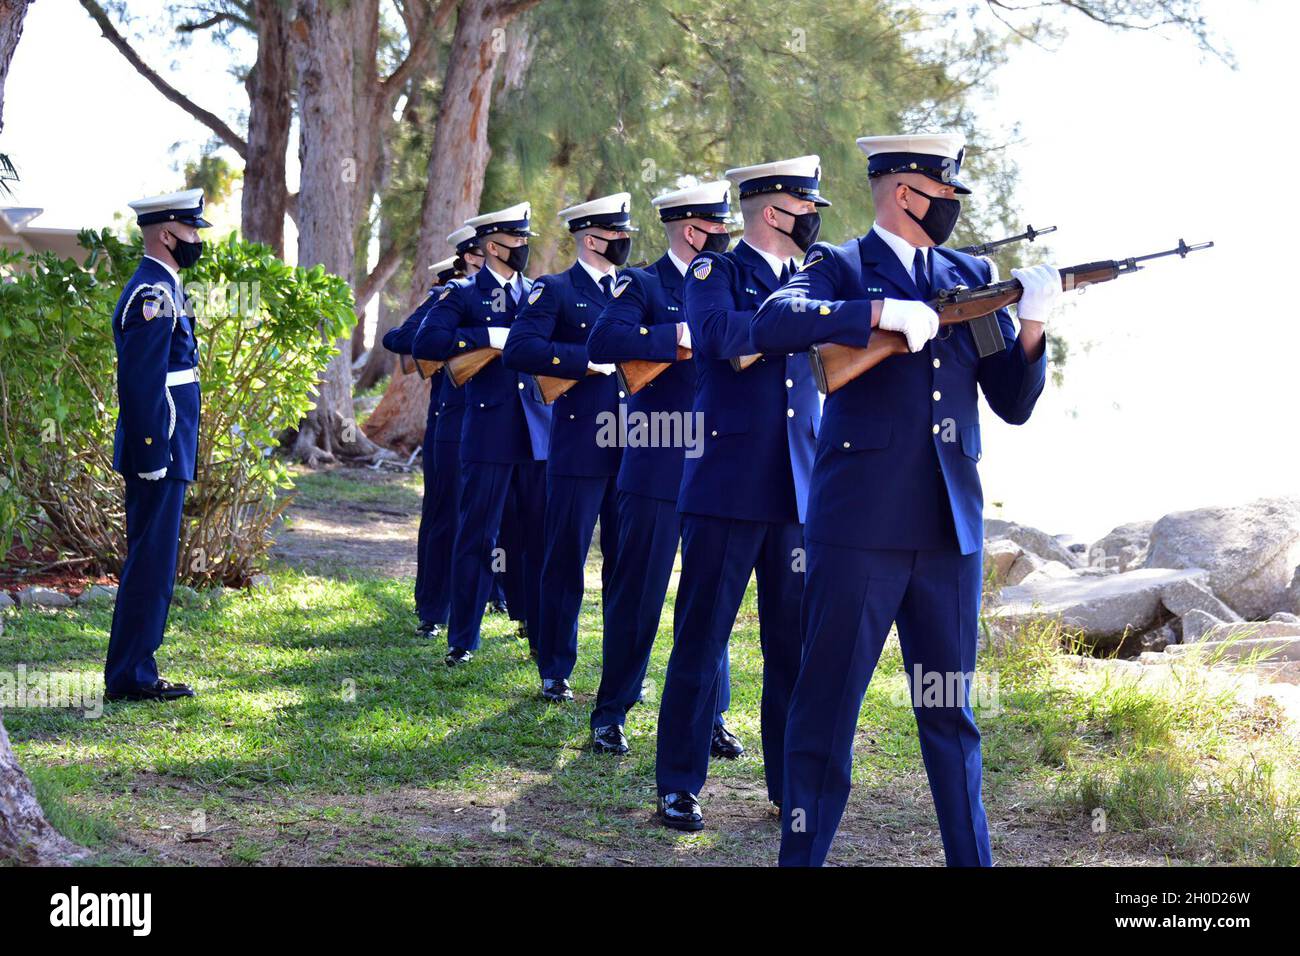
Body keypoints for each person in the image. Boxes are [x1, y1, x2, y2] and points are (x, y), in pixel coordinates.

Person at [750, 133, 1060, 866]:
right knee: (826, 711)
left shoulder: (969, 274)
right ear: (902, 193)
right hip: (859, 529)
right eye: (943, 197)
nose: (951, 211)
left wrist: (1037, 325)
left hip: (950, 532)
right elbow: (772, 323)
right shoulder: (841, 265)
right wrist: (879, 312)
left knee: (951, 714)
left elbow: (1011, 402)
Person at [654, 157, 826, 830]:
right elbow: (722, 339)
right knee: (700, 641)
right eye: (802, 207)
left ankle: (788, 786)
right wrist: (797, 316)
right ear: (771, 211)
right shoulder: (715, 272)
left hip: (795, 494)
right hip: (727, 488)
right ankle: (678, 783)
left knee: (793, 648)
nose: (811, 221)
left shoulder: (816, 277)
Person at [586, 180, 740, 756]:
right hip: (654, 463)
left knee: (710, 601)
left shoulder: (732, 281)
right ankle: (612, 711)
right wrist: (671, 334)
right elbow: (605, 340)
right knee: (639, 596)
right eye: (720, 227)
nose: (729, 237)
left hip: (717, 462)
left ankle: (712, 716)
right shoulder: (643, 282)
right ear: (695, 229)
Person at [502, 193, 632, 702]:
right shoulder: (555, 290)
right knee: (565, 561)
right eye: (617, 235)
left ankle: (622, 674)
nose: (625, 243)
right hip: (579, 444)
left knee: (627, 566)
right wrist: (587, 362)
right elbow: (519, 350)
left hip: (633, 445)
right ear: (593, 238)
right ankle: (555, 667)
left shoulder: (633, 287)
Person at [412, 203, 551, 667]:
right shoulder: (462, 293)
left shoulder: (537, 292)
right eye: (516, 242)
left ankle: (535, 626)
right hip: (487, 429)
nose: (524, 250)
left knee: (535, 535)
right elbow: (425, 343)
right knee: (476, 534)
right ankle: (463, 638)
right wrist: (483, 337)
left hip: (536, 430)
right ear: (493, 247)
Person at [103, 188, 210, 702]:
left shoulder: (163, 287)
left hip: (167, 446)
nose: (196, 240)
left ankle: (133, 668)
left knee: (153, 560)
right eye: (191, 231)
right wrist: (151, 451)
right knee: (151, 563)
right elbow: (140, 382)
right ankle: (132, 677)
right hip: (160, 449)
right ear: (167, 234)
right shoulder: (154, 295)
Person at [382, 243, 471, 639]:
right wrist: (465, 339)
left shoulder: (515, 293)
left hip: (502, 423)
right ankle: (434, 607)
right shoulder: (445, 298)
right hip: (451, 420)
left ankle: (498, 595)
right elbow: (399, 338)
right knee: (444, 515)